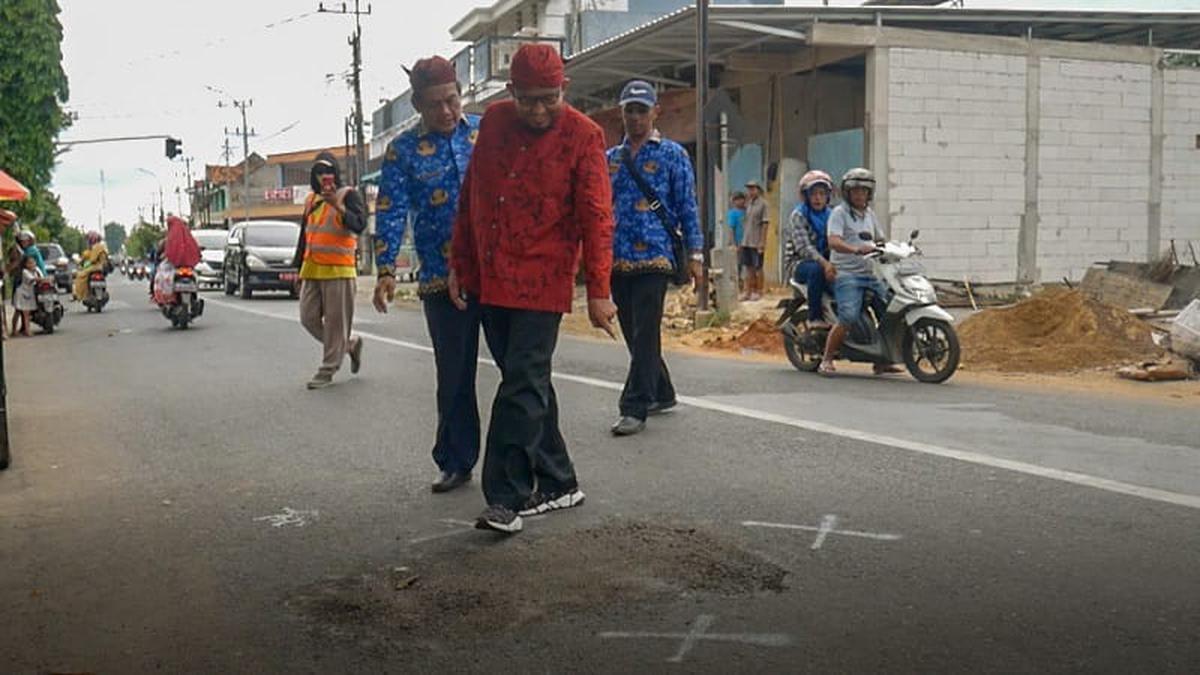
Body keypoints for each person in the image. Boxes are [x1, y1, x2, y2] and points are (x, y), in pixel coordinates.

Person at [450, 43, 616, 534]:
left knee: (519, 385)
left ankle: (506, 497)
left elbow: (598, 216)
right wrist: (460, 262)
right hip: (490, 274)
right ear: (511, 92)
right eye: (529, 99)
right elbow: (471, 197)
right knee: (528, 382)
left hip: (543, 279)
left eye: (549, 98)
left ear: (564, 90)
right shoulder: (494, 124)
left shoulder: (585, 136)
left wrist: (600, 290)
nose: (539, 110)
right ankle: (560, 480)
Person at [374, 55, 483, 494]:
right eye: (435, 104)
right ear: (418, 104)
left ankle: (536, 461)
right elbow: (391, 209)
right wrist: (384, 269)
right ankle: (455, 459)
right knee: (454, 375)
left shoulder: (483, 133)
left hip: (497, 273)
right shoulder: (401, 151)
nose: (446, 112)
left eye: (452, 100)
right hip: (440, 278)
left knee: (522, 372)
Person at [605, 79, 703, 437]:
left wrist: (695, 254)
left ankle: (634, 406)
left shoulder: (673, 155)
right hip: (618, 258)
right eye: (629, 110)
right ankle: (662, 390)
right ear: (622, 113)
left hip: (656, 256)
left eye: (641, 110)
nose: (635, 117)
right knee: (632, 332)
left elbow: (687, 206)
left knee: (646, 331)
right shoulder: (611, 160)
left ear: (654, 112)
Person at [295, 152, 367, 390]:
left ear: (335, 173)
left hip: (339, 270)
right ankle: (350, 345)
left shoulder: (348, 195)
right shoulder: (310, 200)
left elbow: (359, 224)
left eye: (328, 172)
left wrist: (337, 206)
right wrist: (297, 268)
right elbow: (304, 237)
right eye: (319, 172)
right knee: (308, 318)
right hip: (312, 268)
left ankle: (327, 370)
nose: (324, 177)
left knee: (336, 325)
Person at [819, 167, 900, 376]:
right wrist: (855, 249)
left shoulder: (869, 214)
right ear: (847, 193)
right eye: (855, 191)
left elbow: (880, 239)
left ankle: (882, 360)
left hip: (869, 274)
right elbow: (833, 241)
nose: (860, 195)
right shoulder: (839, 214)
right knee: (848, 316)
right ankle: (827, 358)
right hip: (846, 274)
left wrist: (894, 249)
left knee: (890, 309)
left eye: (864, 191)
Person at [784, 170, 836, 329]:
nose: (818, 198)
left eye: (822, 193)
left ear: (828, 196)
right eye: (813, 194)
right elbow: (804, 248)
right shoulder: (799, 215)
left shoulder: (832, 215)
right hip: (800, 263)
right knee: (816, 271)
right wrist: (825, 264)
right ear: (806, 196)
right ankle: (815, 317)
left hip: (827, 261)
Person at [740, 180, 768, 300]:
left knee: (758, 267)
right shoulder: (748, 204)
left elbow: (765, 223)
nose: (750, 191)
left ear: (758, 189)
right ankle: (748, 291)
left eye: (753, 189)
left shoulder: (763, 204)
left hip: (756, 241)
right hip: (746, 240)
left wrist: (762, 241)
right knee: (748, 267)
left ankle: (759, 290)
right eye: (749, 189)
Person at [73, 231, 110, 301]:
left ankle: (79, 295)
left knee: (80, 276)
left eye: (88, 240)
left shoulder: (96, 249)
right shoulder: (101, 248)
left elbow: (90, 260)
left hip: (94, 268)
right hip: (98, 268)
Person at [12, 254, 40, 337]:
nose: (32, 264)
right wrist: (43, 279)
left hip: (28, 294)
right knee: (24, 313)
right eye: (29, 263)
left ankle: (21, 330)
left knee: (22, 312)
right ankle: (26, 331)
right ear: (25, 264)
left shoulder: (36, 270)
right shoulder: (25, 272)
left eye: (33, 262)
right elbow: (34, 279)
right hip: (21, 294)